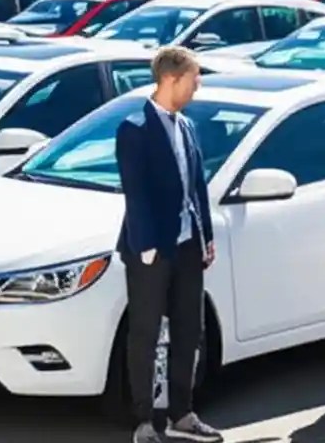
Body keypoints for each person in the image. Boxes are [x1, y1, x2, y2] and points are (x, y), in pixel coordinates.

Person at [115, 45, 222, 443]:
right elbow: (135, 192)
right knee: (144, 333)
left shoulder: (187, 126)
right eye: (194, 79)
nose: (198, 86)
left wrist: (205, 236)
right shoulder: (134, 127)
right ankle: (144, 420)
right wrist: (145, 247)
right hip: (150, 249)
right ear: (171, 79)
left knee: (189, 329)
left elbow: (197, 186)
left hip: (188, 245)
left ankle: (183, 413)